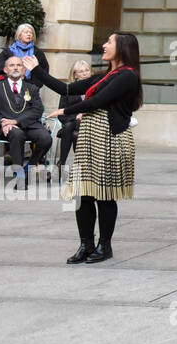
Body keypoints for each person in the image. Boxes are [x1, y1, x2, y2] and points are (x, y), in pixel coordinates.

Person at [24, 32, 143, 265]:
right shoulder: (104, 75)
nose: (104, 45)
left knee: (104, 195)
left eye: (109, 42)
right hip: (90, 137)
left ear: (123, 48)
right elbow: (65, 89)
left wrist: (65, 111)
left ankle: (104, 246)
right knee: (82, 194)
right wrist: (36, 69)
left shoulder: (128, 76)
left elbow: (97, 102)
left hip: (110, 137)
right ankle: (86, 244)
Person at [0, 55, 52, 189]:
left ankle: (27, 169)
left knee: (46, 138)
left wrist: (16, 121)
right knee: (17, 134)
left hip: (29, 125)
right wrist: (3, 122)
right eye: (12, 65)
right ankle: (20, 177)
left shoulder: (32, 88)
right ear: (5, 69)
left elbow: (37, 110)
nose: (15, 67)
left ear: (23, 70)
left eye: (19, 65)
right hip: (6, 128)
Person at [54, 60, 93, 171]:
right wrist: (76, 116)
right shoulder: (68, 90)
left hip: (91, 124)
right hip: (72, 124)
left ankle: (61, 163)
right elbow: (61, 115)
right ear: (75, 74)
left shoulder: (96, 88)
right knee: (71, 129)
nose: (85, 73)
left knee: (71, 130)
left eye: (87, 70)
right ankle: (78, 166)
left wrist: (83, 115)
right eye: (81, 71)